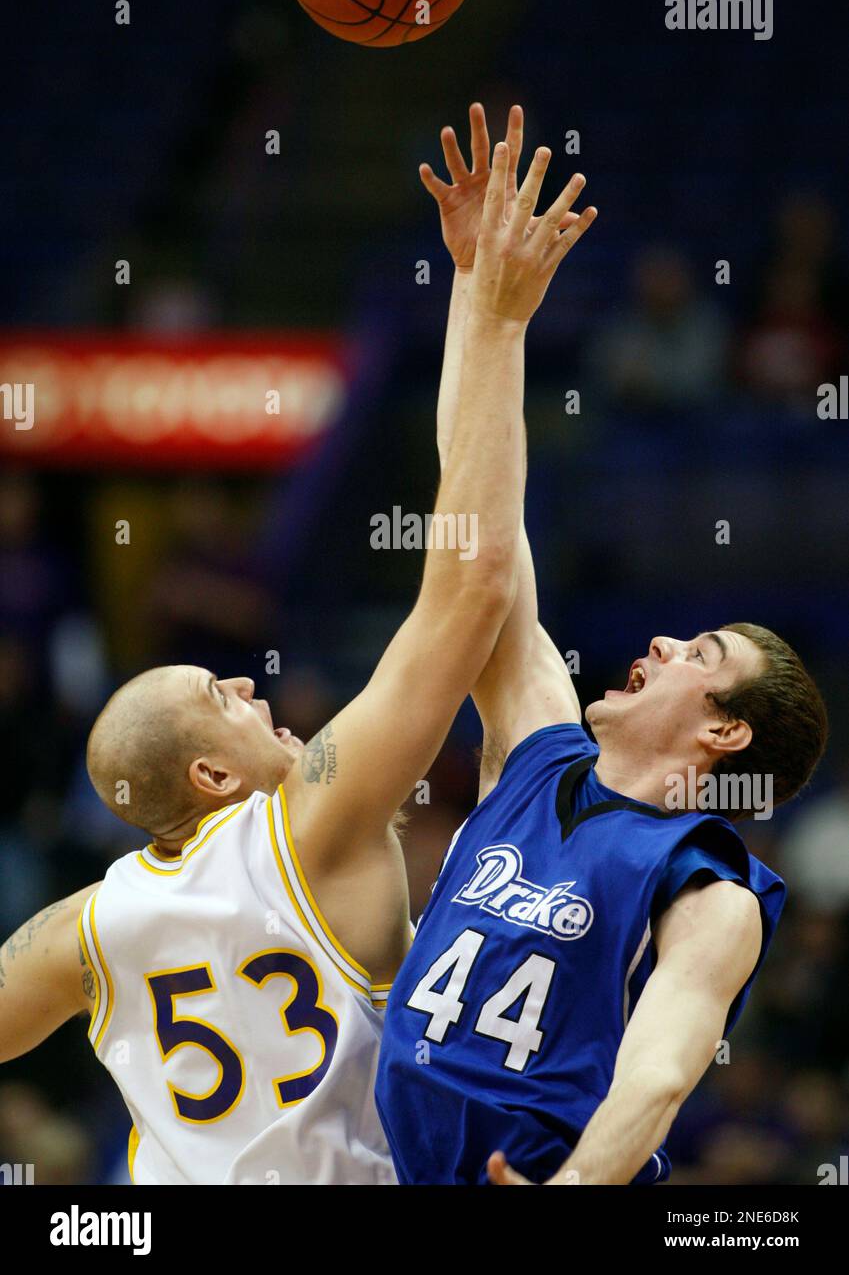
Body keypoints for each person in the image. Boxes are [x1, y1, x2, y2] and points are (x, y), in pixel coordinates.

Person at [0, 125, 598, 1185]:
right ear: (214, 777)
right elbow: (471, 587)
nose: (243, 680)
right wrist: (495, 312)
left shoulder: (82, 928)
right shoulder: (309, 819)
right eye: (217, 695)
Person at [374, 104, 828, 1186]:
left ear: (724, 729)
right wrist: (484, 302)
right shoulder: (535, 749)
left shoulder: (710, 891)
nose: (664, 640)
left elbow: (662, 1073)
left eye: (701, 652)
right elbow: (477, 528)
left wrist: (576, 1189)